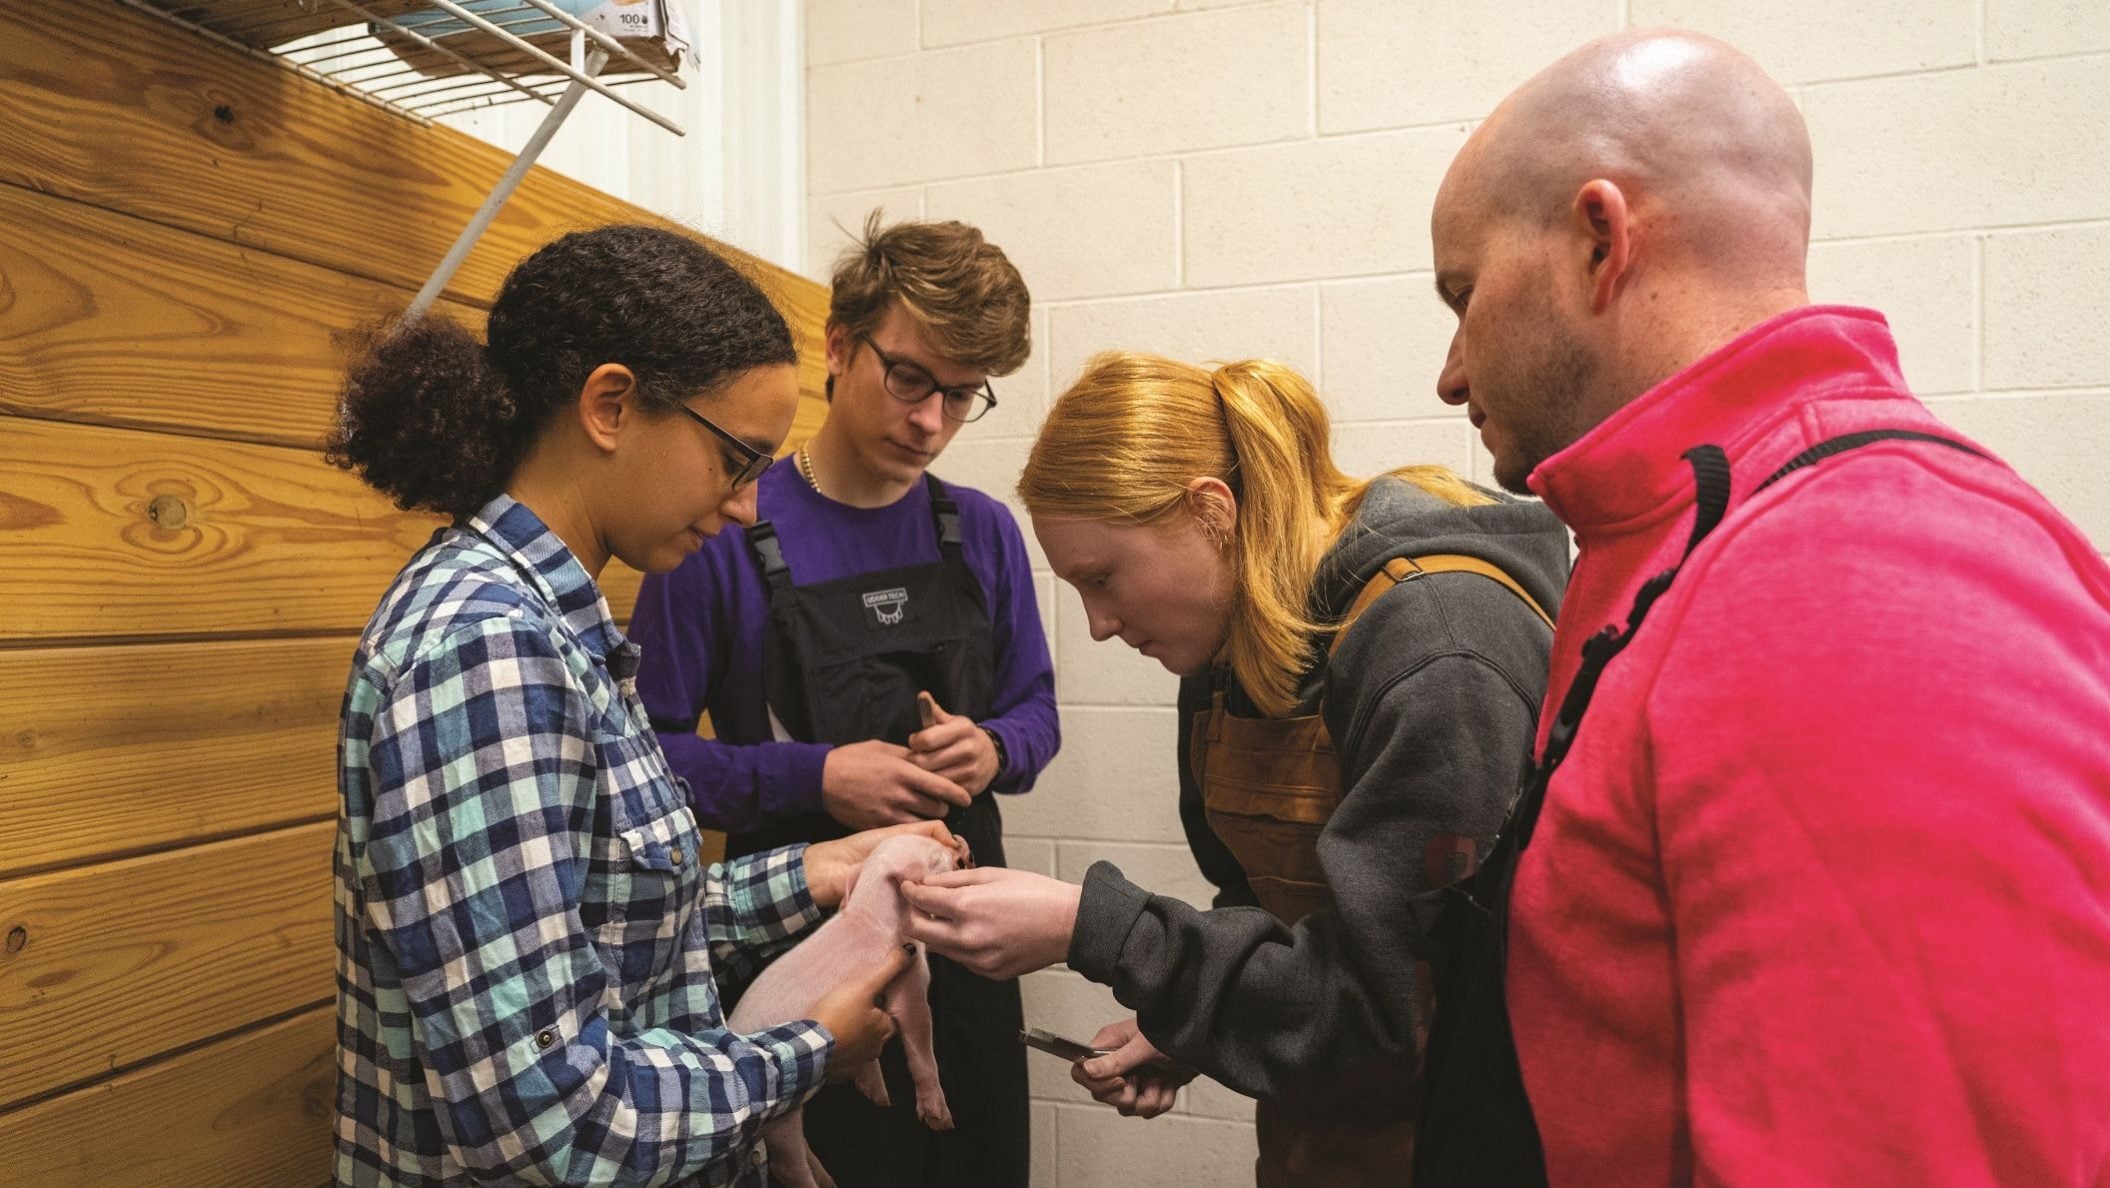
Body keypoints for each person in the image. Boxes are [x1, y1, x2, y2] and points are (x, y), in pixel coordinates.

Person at [1413, 29, 2110, 1187]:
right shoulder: (1681, 538)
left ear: (1600, 238)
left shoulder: (1844, 582)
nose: (1448, 369)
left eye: (1462, 292)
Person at [327, 224, 955, 1188]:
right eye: (737, 460)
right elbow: (550, 1122)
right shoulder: (486, 651)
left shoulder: (558, 624)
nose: (748, 505)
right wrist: (807, 1047)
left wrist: (813, 873)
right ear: (611, 405)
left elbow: (608, 934)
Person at [899, 351, 1570, 1185]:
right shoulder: (1232, 650)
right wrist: (1194, 1023)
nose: (1100, 624)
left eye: (1103, 578)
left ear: (1211, 511)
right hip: (1315, 1144)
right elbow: (1270, 922)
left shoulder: (1437, 646)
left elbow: (1395, 1010)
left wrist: (1093, 927)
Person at [628, 214, 1056, 1187]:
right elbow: (645, 761)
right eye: (910, 379)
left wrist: (992, 750)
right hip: (790, 939)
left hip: (962, 925)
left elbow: (1037, 715)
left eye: (961, 396)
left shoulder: (981, 533)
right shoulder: (723, 528)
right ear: (837, 345)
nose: (930, 423)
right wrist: (814, 773)